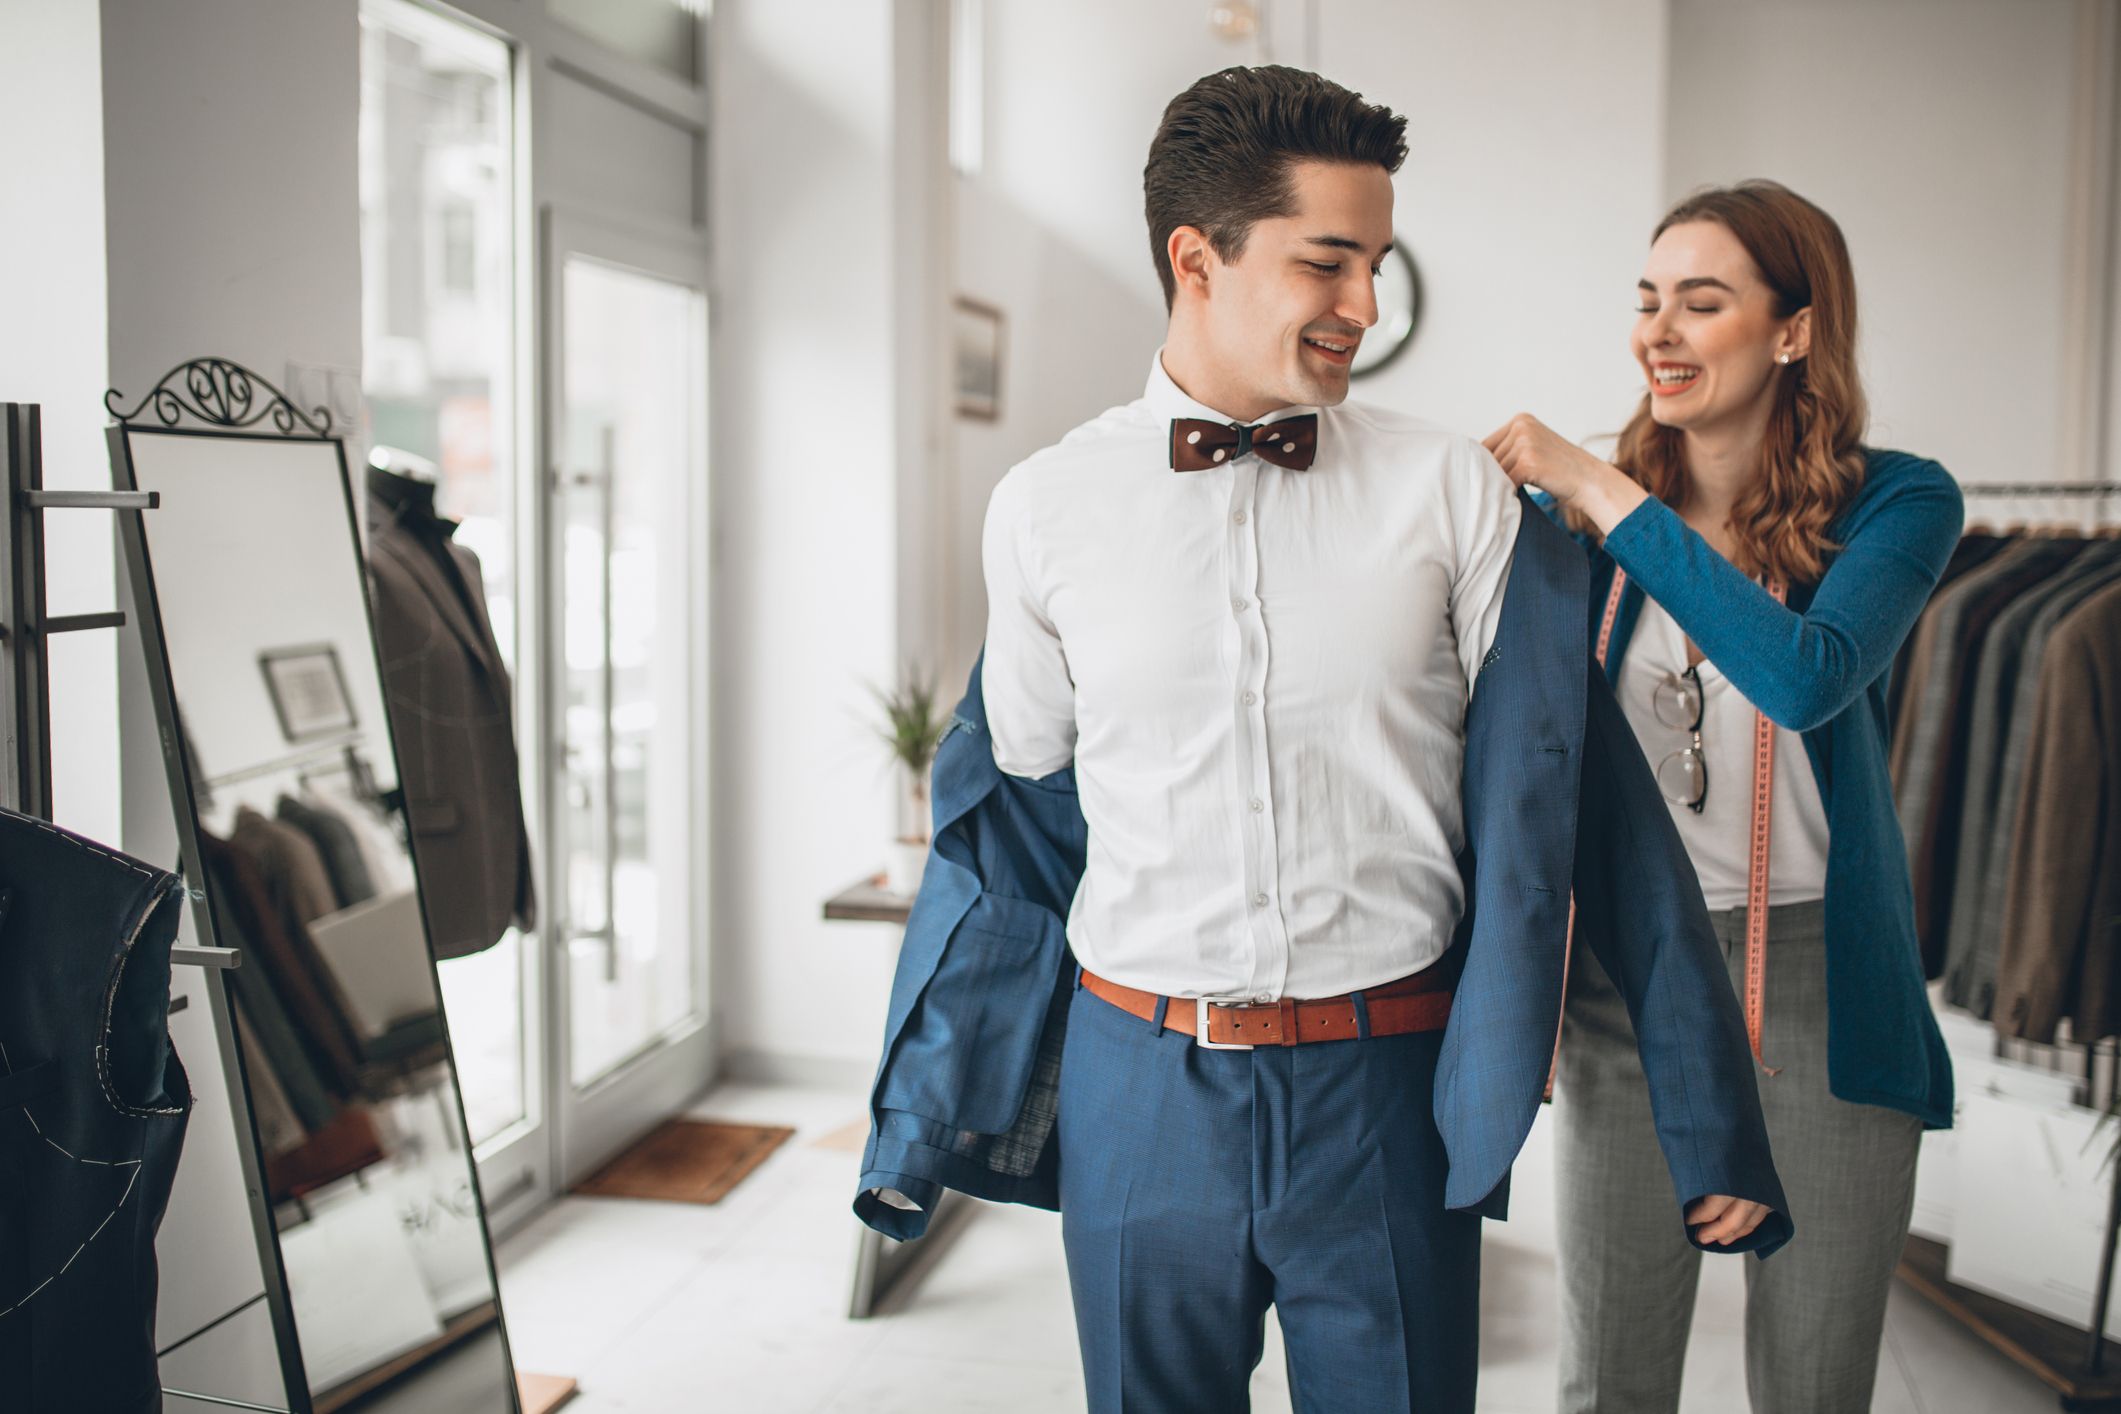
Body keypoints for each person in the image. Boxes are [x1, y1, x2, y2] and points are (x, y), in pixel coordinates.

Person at [857, 68, 1791, 1413]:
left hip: (1388, 1087)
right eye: (1328, 263)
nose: (1364, 306)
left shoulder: (1455, 492)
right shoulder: (1042, 508)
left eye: (1377, 262)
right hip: (1138, 1086)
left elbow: (1590, 807)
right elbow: (1022, 782)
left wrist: (1709, 1119)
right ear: (1198, 257)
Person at [1485, 180, 1960, 1413]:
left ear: (1792, 331)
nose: (1661, 332)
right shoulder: (1570, 524)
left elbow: (1805, 678)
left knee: (1813, 1386)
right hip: (1630, 986)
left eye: (1703, 302)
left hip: (1821, 984)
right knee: (1612, 1381)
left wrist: (1607, 494)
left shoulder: (1897, 503)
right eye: (1648, 302)